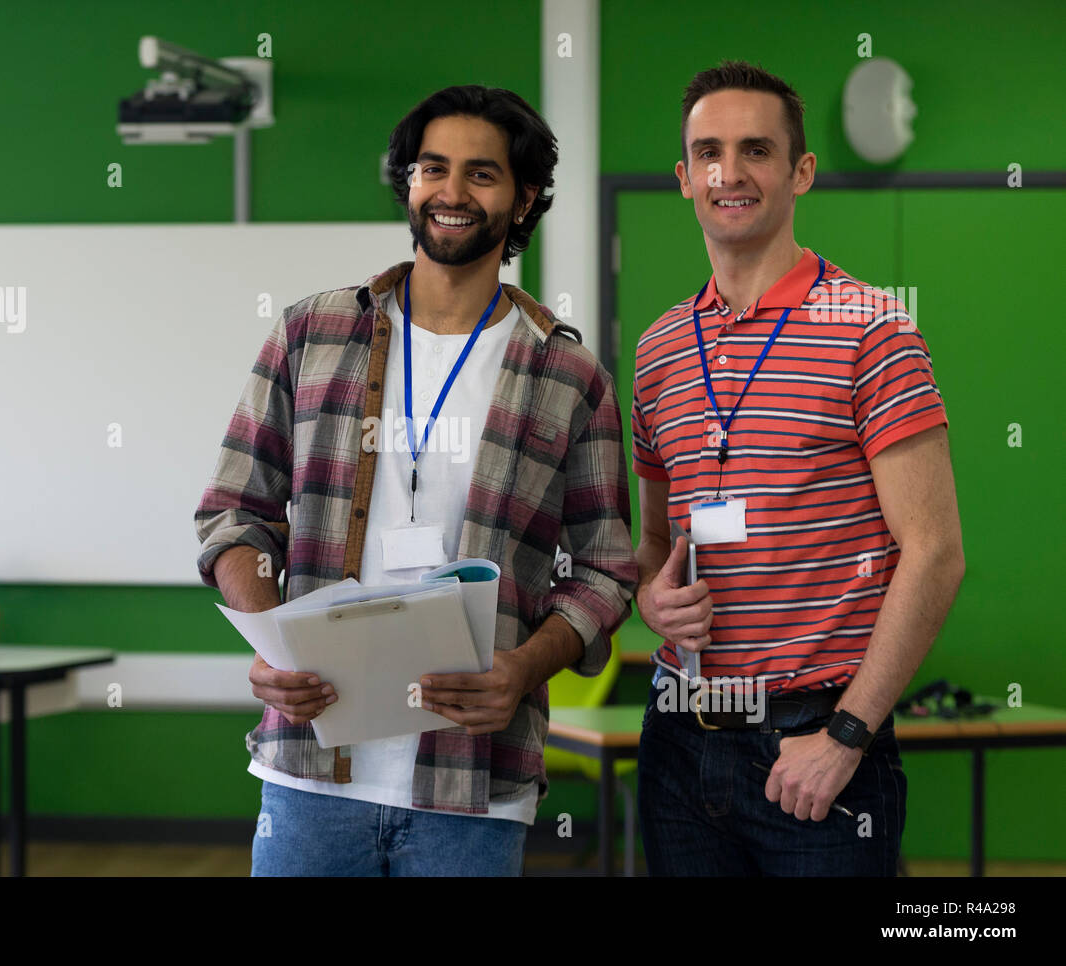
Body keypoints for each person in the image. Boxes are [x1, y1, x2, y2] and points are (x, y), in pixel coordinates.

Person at [196, 85, 636, 877]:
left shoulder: (570, 376)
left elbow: (606, 569)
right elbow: (235, 511)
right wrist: (271, 640)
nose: (452, 193)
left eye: (482, 174)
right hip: (310, 774)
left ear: (525, 197)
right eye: (433, 168)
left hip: (475, 787)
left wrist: (524, 669)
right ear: (408, 182)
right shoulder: (311, 334)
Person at [630, 61, 964, 876]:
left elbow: (935, 553)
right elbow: (650, 541)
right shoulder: (659, 350)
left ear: (800, 171)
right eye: (708, 152)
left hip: (816, 746)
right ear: (684, 178)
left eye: (756, 150)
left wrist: (846, 736)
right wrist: (650, 598)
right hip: (679, 738)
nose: (729, 173)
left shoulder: (870, 330)